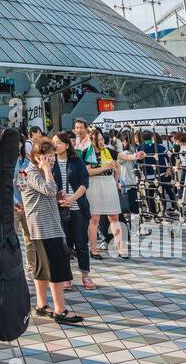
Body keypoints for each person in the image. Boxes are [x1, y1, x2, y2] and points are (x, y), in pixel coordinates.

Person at [20, 137, 82, 325]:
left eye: (52, 157)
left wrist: (57, 196)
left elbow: (46, 194)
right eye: (47, 157)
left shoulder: (34, 171)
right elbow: (48, 189)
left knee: (41, 268)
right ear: (38, 157)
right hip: (45, 229)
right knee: (56, 270)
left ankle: (41, 305)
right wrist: (47, 171)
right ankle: (60, 310)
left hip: (43, 227)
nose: (51, 160)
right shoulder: (33, 172)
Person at [52, 131, 92, 289]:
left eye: (59, 142)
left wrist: (71, 199)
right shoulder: (51, 162)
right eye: (54, 142)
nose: (56, 145)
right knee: (64, 244)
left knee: (81, 243)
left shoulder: (77, 161)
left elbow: (84, 184)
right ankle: (66, 277)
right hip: (59, 209)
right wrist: (59, 198)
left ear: (67, 145)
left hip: (77, 208)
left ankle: (85, 275)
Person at [86, 126, 125, 258]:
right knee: (94, 218)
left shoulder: (108, 151)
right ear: (92, 141)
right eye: (98, 140)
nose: (101, 142)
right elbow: (88, 172)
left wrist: (135, 156)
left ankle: (121, 249)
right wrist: (105, 167)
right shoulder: (87, 152)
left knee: (114, 217)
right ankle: (94, 250)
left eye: (102, 139)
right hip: (94, 184)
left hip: (108, 183)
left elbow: (121, 158)